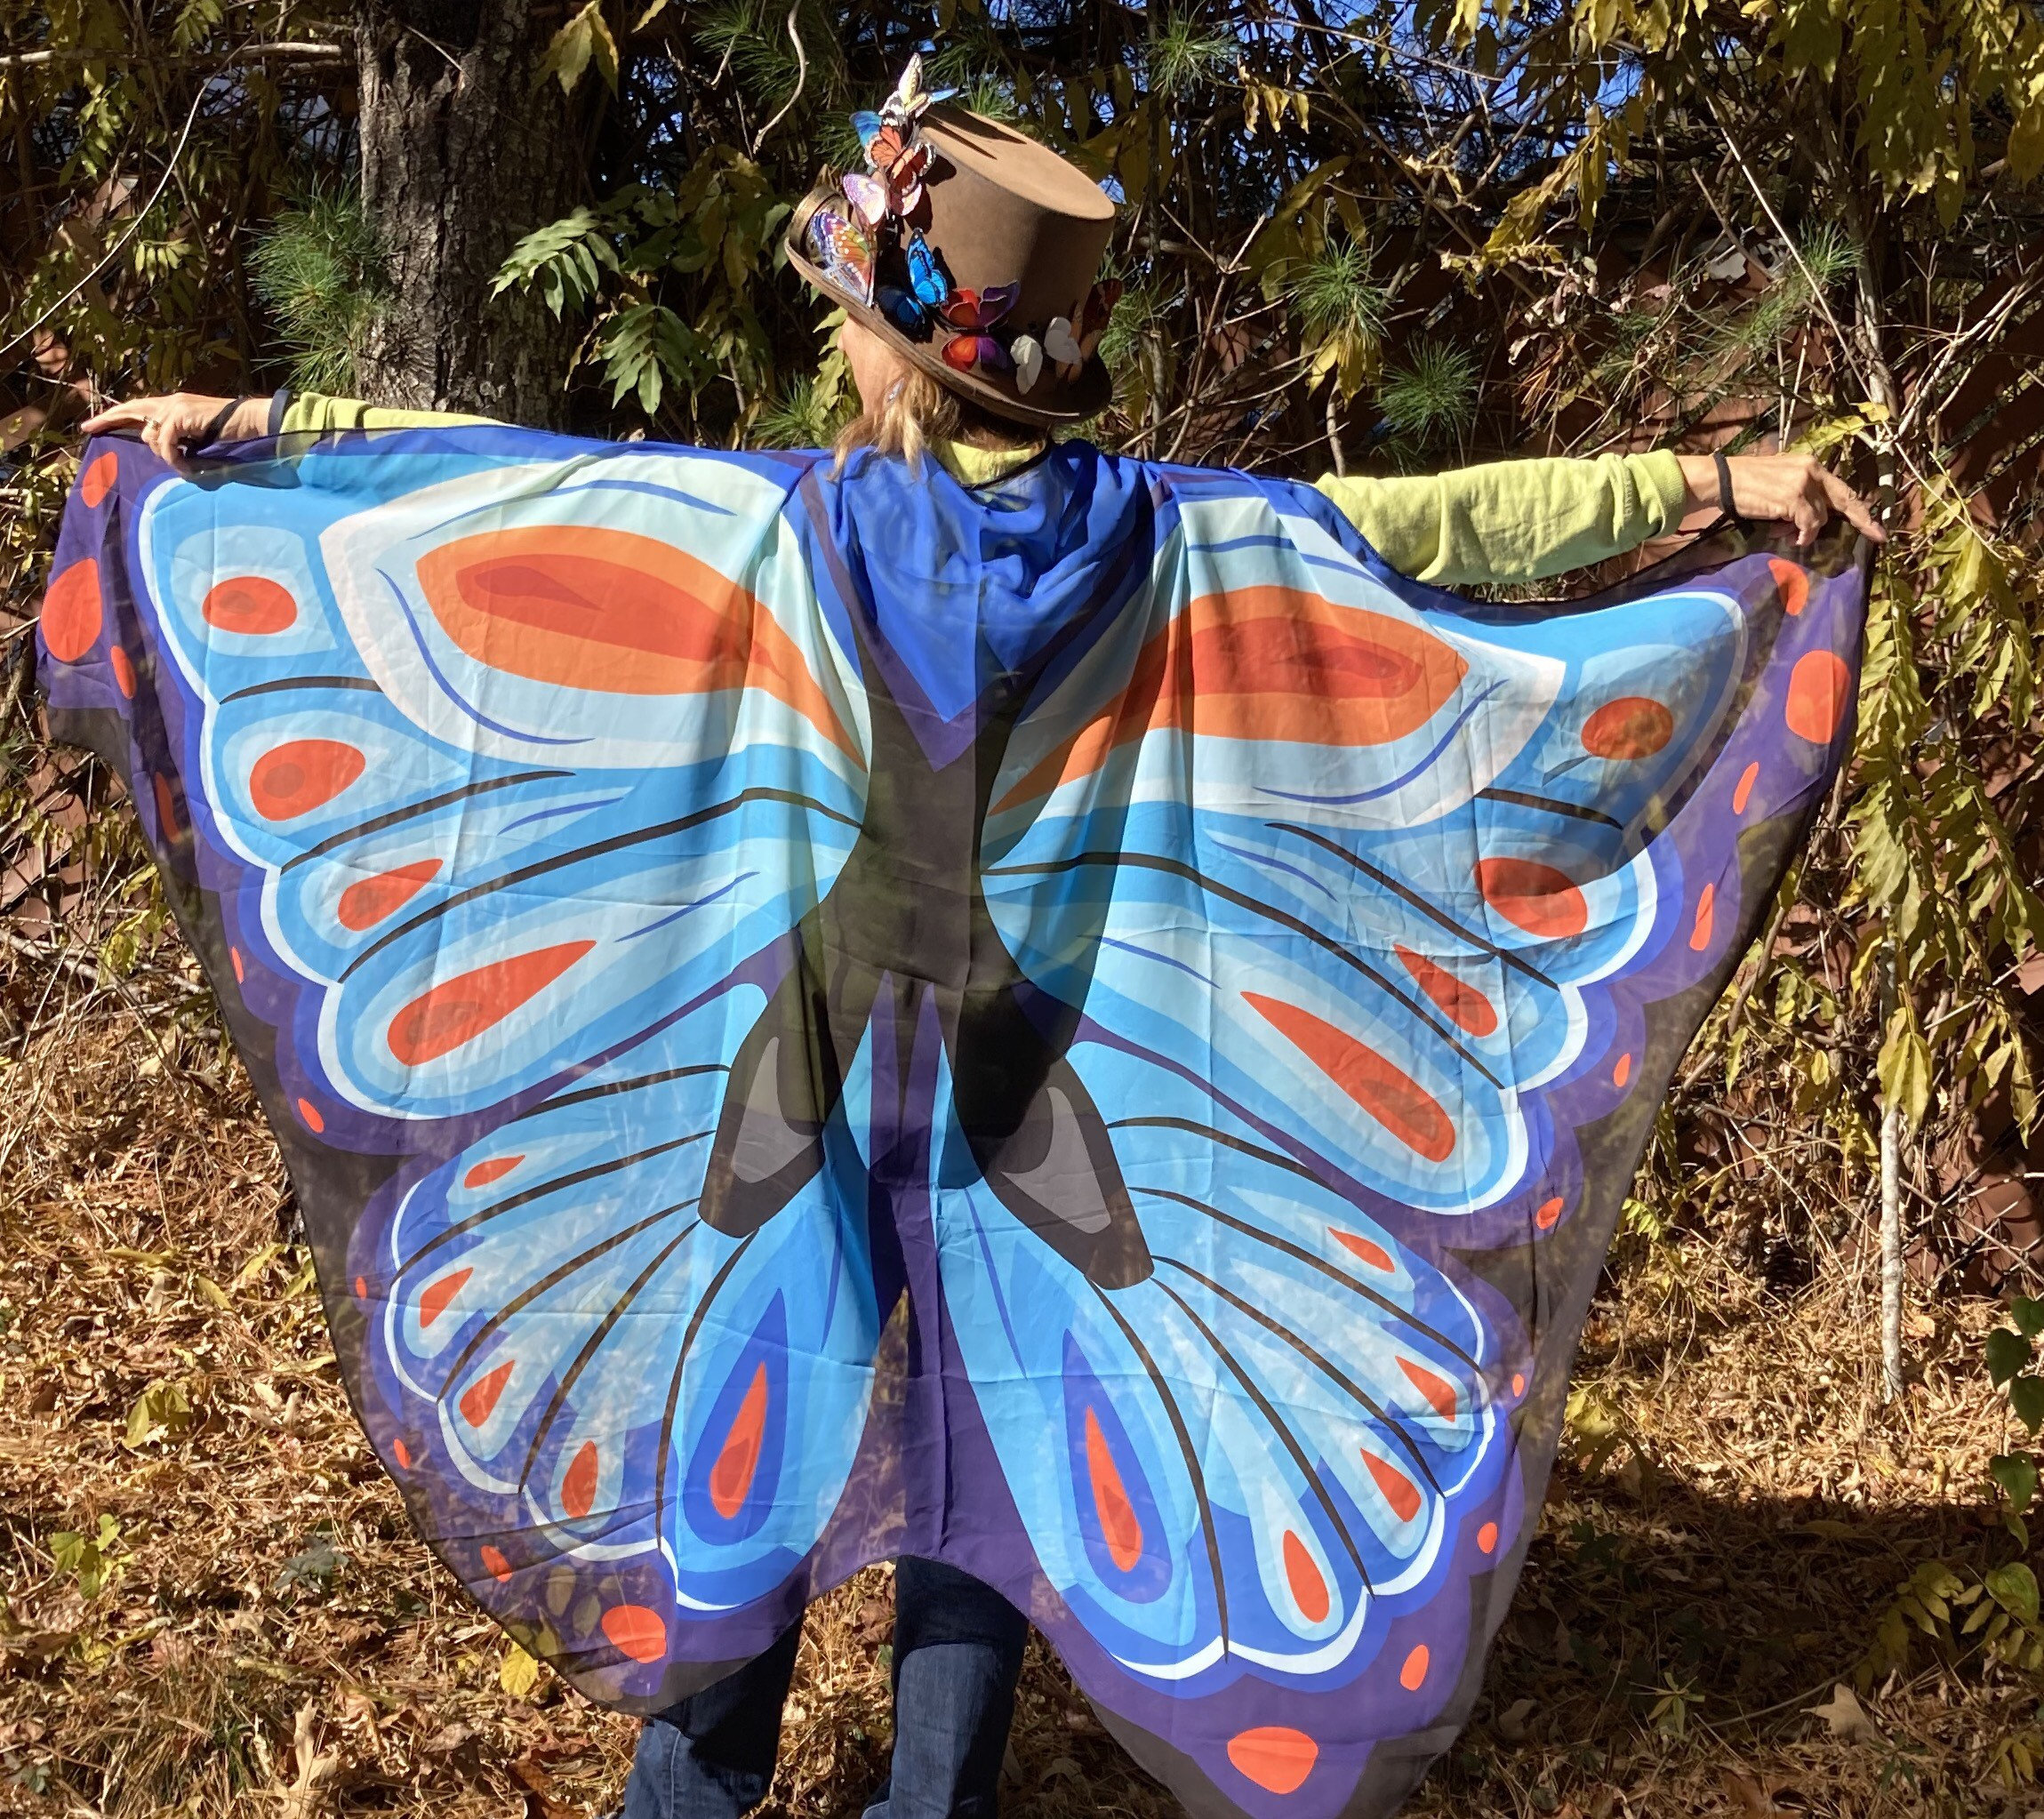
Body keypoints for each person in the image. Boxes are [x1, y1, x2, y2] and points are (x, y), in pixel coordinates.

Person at [71, 68, 1879, 1819]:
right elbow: (1440, 529)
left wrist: (247, 438)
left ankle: (695, 1790)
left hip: (793, 1069)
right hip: (1034, 1091)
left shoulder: (772, 526)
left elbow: (497, 489)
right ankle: (933, 1797)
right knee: (998, 1437)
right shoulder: (1184, 542)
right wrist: (1708, 491)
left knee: (739, 1391)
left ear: (894, 346)